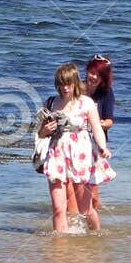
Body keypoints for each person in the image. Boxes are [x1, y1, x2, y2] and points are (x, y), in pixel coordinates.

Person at [36, 63, 112, 233]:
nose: (64, 88)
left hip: (81, 156)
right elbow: (40, 134)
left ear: (75, 82)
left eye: (68, 84)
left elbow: (97, 129)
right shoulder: (50, 103)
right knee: (58, 209)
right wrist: (44, 131)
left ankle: (96, 237)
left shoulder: (86, 102)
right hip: (56, 156)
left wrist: (102, 147)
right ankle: (60, 250)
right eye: (61, 84)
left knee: (85, 209)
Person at [80, 55, 116, 216]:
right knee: (77, 184)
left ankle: (95, 218)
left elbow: (109, 121)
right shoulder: (77, 89)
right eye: (92, 72)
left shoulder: (106, 93)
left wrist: (95, 123)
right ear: (87, 71)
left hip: (96, 144)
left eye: (98, 75)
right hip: (76, 142)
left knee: (92, 189)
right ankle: (78, 218)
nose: (93, 77)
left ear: (104, 78)